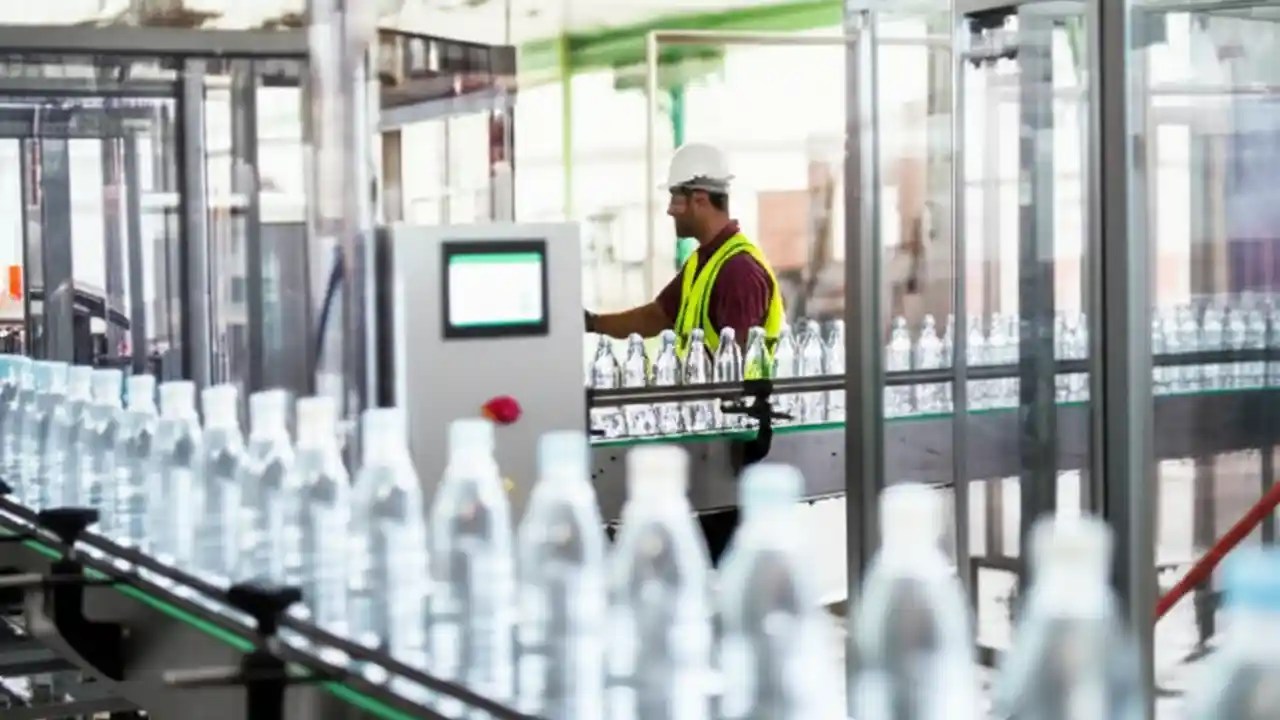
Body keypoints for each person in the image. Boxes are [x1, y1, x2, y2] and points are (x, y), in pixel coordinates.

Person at [584, 142, 785, 353]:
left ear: (700, 200)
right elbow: (656, 316)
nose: (670, 210)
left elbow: (737, 364)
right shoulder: (703, 262)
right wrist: (591, 322)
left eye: (676, 200)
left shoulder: (739, 271)